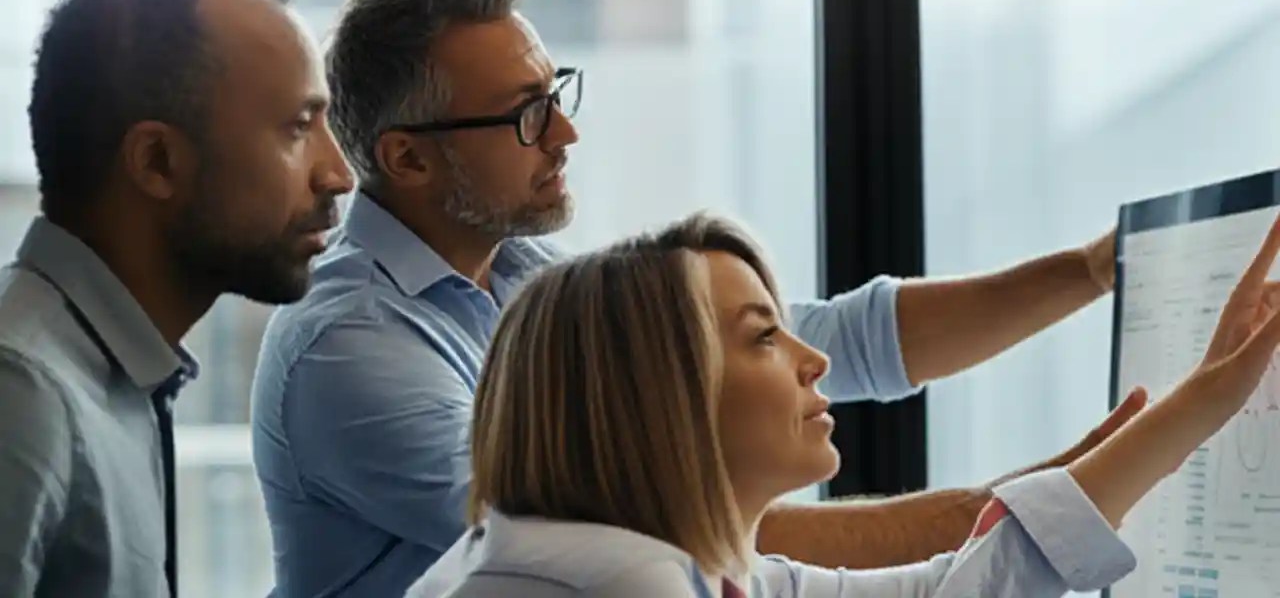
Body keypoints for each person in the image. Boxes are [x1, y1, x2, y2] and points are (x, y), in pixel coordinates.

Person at [251, 0, 1141, 597]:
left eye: (555, 92)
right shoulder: (348, 350)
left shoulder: (518, 274)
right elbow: (660, 523)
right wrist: (1045, 501)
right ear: (406, 157)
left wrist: (1095, 271)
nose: (564, 134)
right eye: (526, 114)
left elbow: (838, 340)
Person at [408, 211, 1280, 597]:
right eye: (763, 336)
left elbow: (954, 589)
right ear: (660, 395)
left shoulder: (696, 567)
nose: (813, 358)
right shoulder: (624, 583)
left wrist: (1204, 398)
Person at [0, 0, 354, 597]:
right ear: (157, 161)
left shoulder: (104, 375)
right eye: (299, 128)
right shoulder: (24, 394)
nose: (338, 174)